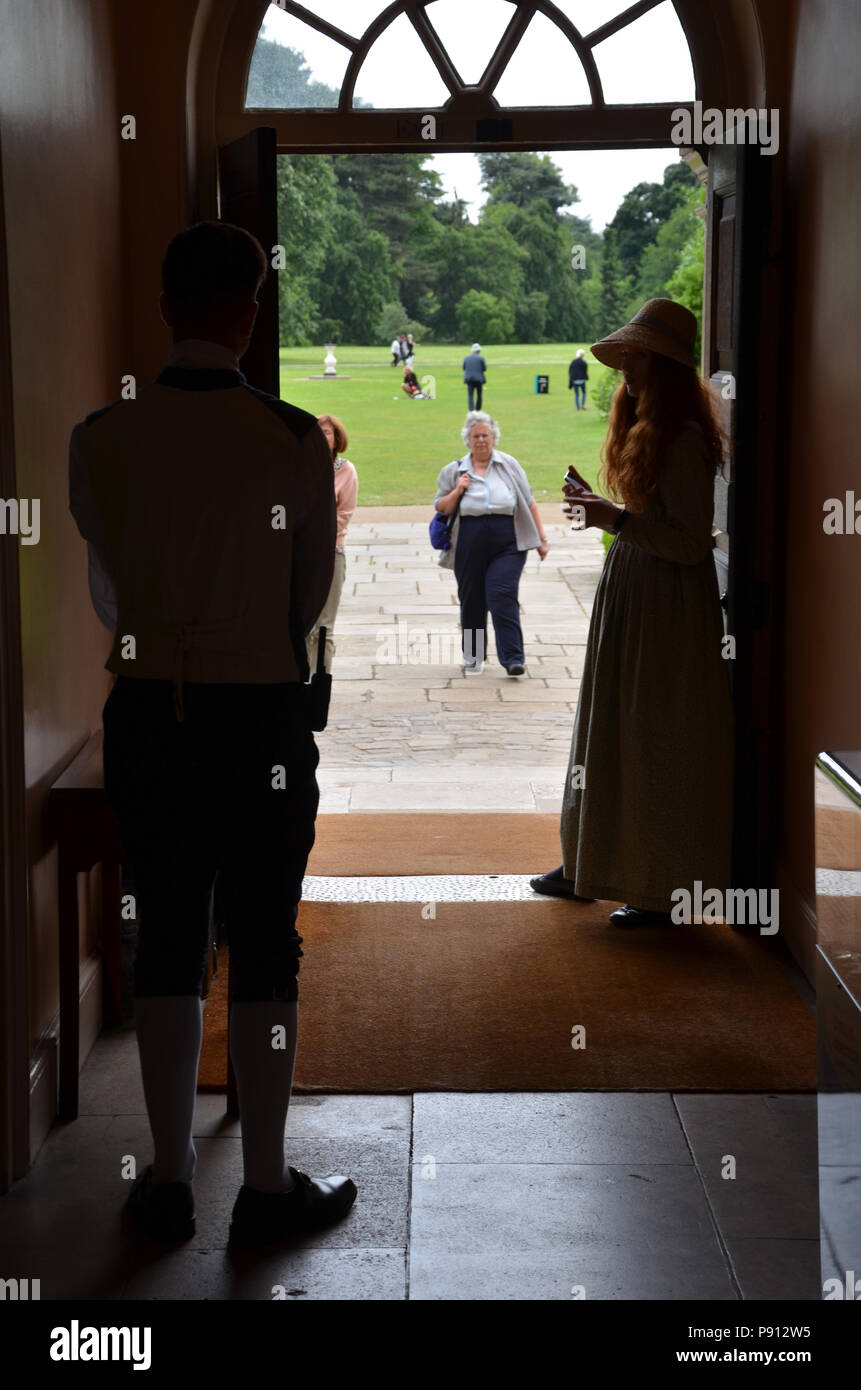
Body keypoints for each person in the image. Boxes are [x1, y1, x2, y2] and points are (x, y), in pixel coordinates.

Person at [69, 220, 357, 1249]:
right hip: (259, 713)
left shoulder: (101, 435)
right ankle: (267, 1182)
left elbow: (110, 587)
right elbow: (310, 593)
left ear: (163, 309)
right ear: (248, 312)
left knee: (167, 943)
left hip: (151, 708)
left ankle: (165, 1175)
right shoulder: (289, 439)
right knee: (265, 937)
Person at [529, 299, 732, 927]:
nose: (627, 371)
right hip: (638, 594)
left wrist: (611, 517)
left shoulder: (686, 440)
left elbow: (689, 542)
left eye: (638, 358)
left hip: (667, 608)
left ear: (664, 365)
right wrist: (601, 507)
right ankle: (593, 861)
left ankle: (660, 888)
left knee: (654, 739)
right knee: (610, 724)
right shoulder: (652, 427)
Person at [434, 410, 549, 674]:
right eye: (476, 436)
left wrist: (541, 539)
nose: (481, 440)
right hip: (468, 540)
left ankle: (513, 659)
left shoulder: (509, 465)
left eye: (485, 435)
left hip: (507, 541)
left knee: (501, 595)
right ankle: (473, 657)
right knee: (471, 599)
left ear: (494, 437)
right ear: (468, 439)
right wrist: (458, 489)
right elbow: (442, 506)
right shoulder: (454, 470)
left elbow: (528, 502)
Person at [306, 413, 358, 675]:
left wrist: (312, 533)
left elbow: (343, 515)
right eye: (317, 432)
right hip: (303, 555)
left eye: (326, 432)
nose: (321, 436)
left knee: (325, 626)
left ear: (337, 439)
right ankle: (299, 680)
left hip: (331, 553)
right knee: (304, 623)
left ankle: (320, 681)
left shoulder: (346, 471)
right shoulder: (300, 467)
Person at [462, 342, 487, 412]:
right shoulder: (481, 358)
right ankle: (478, 409)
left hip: (469, 379)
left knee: (470, 395)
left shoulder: (466, 358)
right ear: (478, 351)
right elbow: (484, 369)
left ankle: (471, 410)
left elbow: (464, 368)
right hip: (479, 379)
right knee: (479, 394)